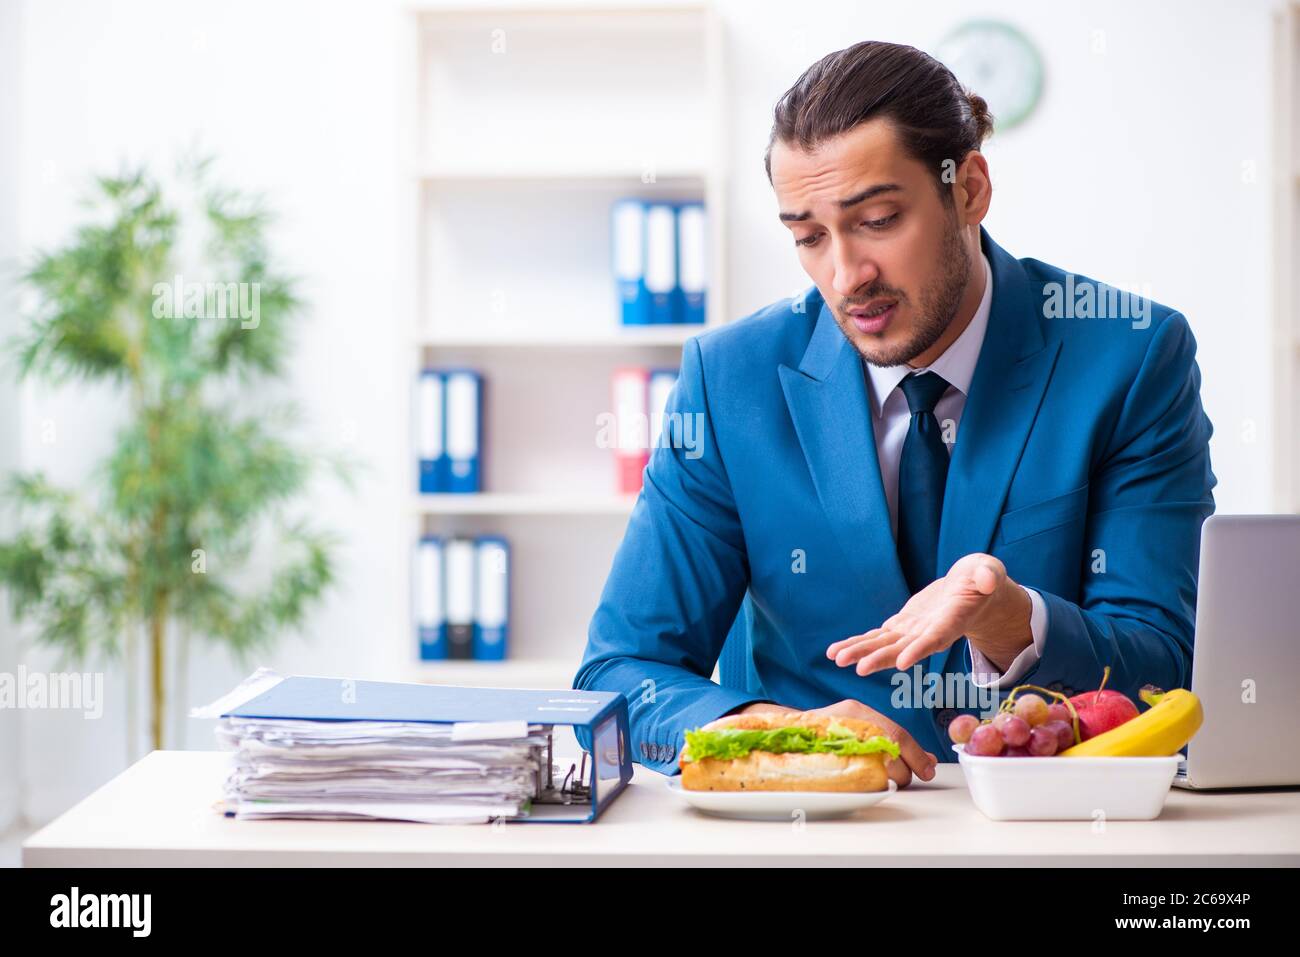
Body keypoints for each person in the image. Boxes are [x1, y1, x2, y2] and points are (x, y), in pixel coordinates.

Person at [574, 40, 1216, 788]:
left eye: (877, 219)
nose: (846, 277)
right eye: (808, 237)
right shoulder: (731, 379)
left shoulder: (1131, 358)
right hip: (806, 834)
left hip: (1043, 833)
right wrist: (788, 734)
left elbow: (1161, 667)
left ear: (969, 189)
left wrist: (1012, 618)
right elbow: (621, 671)